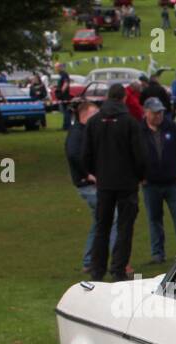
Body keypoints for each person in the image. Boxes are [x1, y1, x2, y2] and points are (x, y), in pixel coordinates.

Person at [82, 84, 148, 281]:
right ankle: (118, 269)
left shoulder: (94, 122)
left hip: (104, 183)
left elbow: (85, 155)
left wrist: (97, 172)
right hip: (127, 183)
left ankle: (97, 269)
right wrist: (139, 175)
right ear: (124, 99)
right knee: (124, 228)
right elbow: (140, 155)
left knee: (102, 226)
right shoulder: (130, 123)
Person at [140, 98, 176, 264]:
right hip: (150, 184)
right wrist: (139, 176)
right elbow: (129, 154)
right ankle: (157, 253)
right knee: (154, 218)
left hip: (173, 183)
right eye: (155, 112)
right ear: (146, 112)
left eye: (161, 112)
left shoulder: (172, 128)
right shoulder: (138, 131)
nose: (158, 116)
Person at [66, 99, 117, 274]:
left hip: (92, 184)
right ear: (85, 114)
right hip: (88, 186)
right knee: (111, 217)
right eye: (95, 114)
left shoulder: (87, 132)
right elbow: (74, 155)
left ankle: (89, 260)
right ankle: (114, 260)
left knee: (99, 222)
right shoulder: (77, 133)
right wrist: (88, 174)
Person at [55, 63, 73, 129]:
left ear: (60, 67)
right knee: (64, 111)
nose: (56, 69)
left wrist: (61, 92)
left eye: (57, 67)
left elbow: (66, 83)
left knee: (66, 111)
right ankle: (65, 125)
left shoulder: (64, 74)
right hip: (62, 95)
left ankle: (67, 126)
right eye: (55, 67)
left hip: (64, 95)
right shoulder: (60, 75)